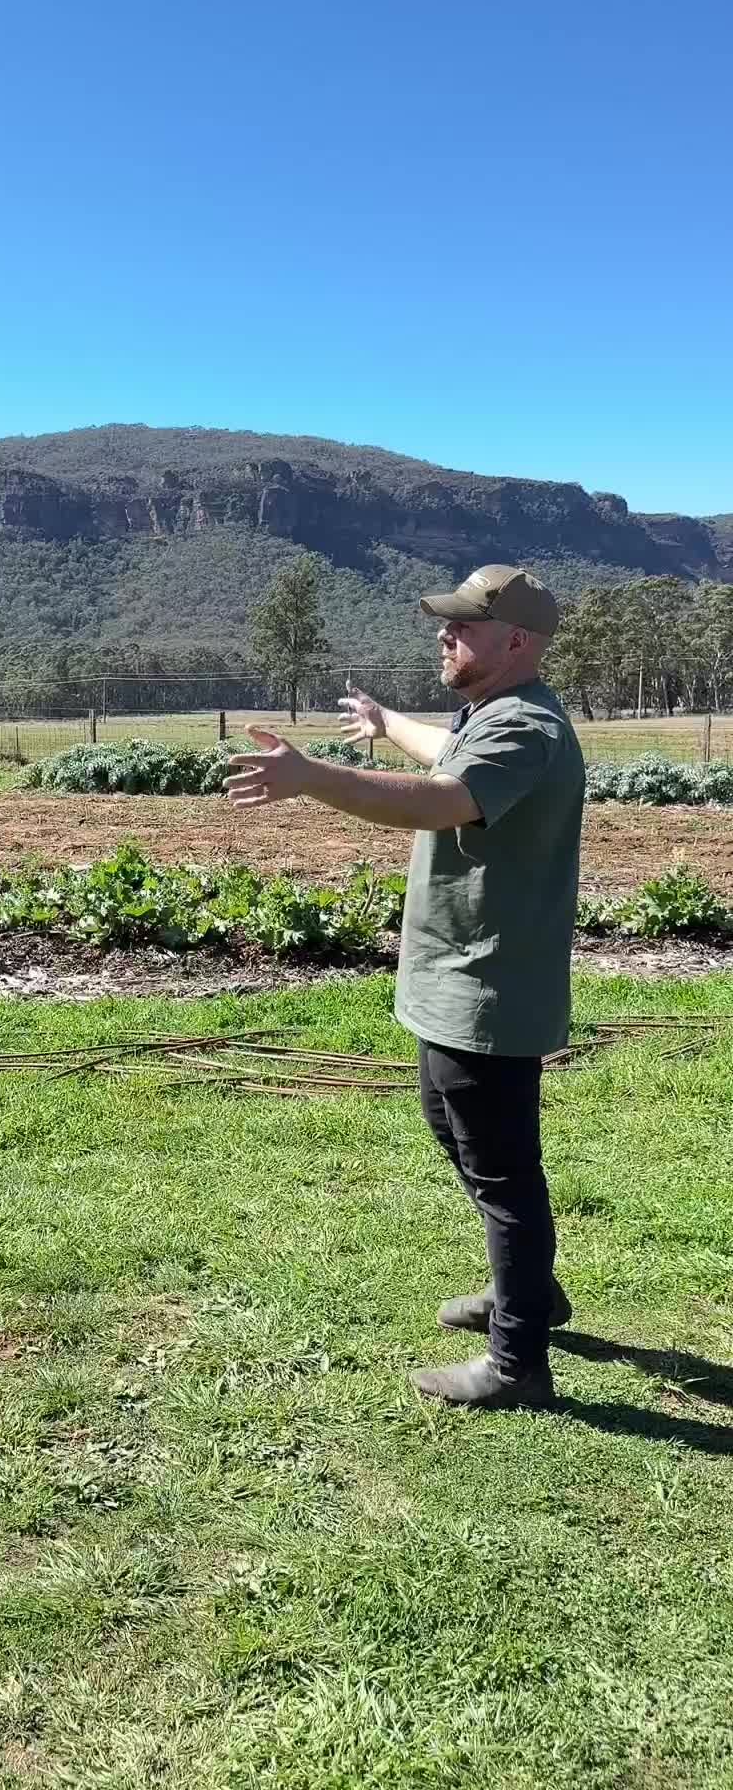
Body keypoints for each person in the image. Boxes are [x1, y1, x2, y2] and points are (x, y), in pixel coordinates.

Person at [224, 564, 584, 1410]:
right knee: (457, 1134)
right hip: (454, 981)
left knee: (502, 1173)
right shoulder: (489, 716)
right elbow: (446, 752)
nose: (444, 634)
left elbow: (442, 798)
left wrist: (315, 779)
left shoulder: (524, 729)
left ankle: (517, 1362)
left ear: (516, 643)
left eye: (462, 626)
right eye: (447, 623)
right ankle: (527, 1290)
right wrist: (387, 724)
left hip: (486, 987)